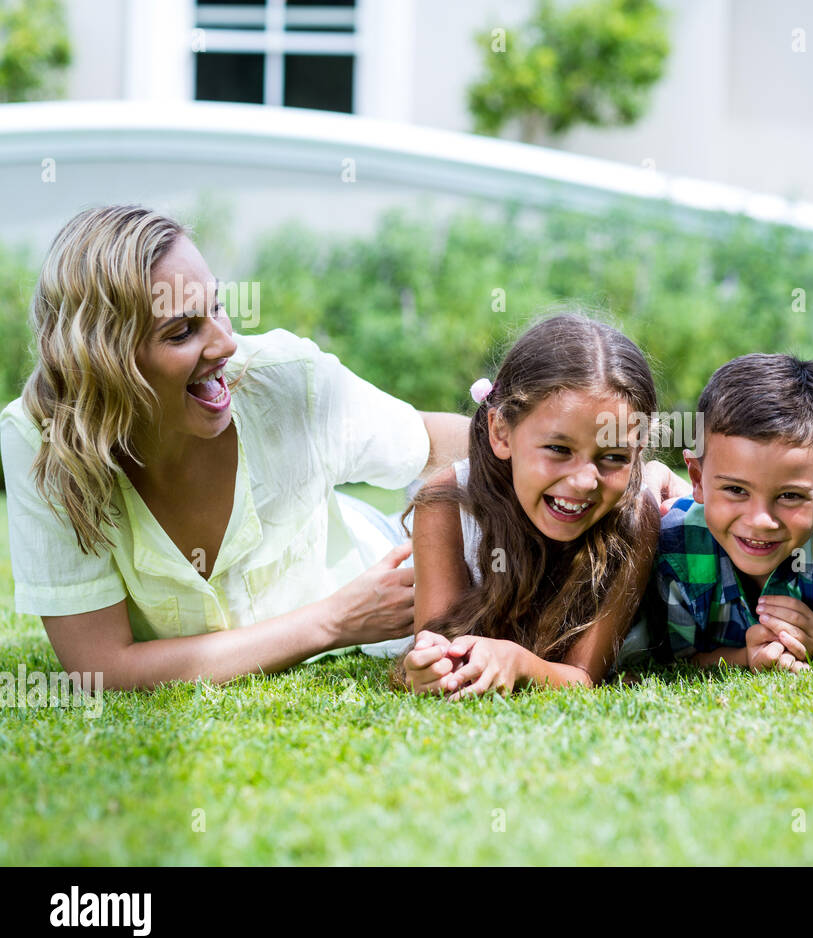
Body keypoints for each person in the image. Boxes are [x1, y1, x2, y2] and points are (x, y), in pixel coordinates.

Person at [1, 205, 471, 690]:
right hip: (355, 607)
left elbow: (431, 440)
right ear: (105, 362)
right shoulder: (42, 439)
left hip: (375, 559)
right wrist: (334, 621)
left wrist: (523, 432)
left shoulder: (286, 379)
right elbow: (101, 667)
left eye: (218, 307)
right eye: (182, 332)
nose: (225, 344)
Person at [393, 313, 662, 697]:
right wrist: (432, 668)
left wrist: (519, 663)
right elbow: (437, 648)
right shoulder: (445, 503)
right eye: (558, 449)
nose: (585, 480)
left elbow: (583, 676)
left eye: (614, 457)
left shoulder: (635, 516)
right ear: (502, 432)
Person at [652, 354, 813, 671]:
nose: (761, 520)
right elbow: (672, 660)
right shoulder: (672, 549)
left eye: (789, 495)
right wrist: (743, 658)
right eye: (735, 490)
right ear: (697, 479)